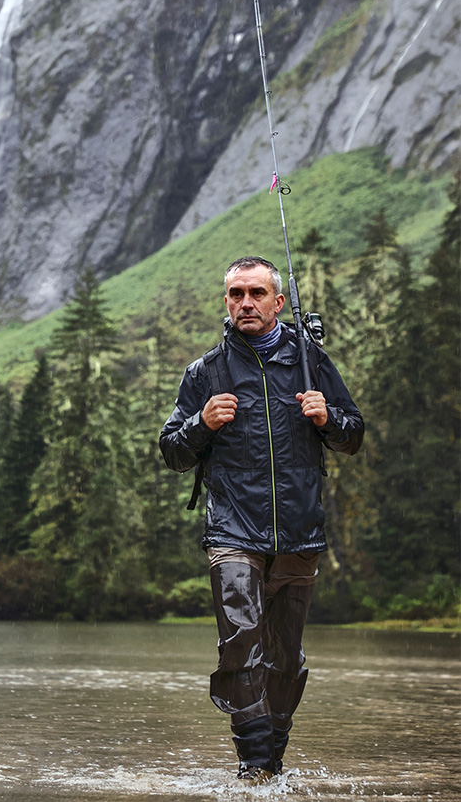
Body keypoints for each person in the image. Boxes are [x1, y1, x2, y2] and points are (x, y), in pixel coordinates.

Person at [159, 256, 364, 783]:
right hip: (232, 530)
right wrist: (201, 425)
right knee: (240, 641)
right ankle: (252, 764)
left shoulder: (312, 362)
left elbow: (353, 435)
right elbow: (173, 451)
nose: (244, 303)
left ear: (277, 300)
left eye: (255, 293)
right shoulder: (205, 372)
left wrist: (328, 417)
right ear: (225, 301)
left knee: (285, 660)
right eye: (235, 294)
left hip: (299, 532)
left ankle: (271, 761)